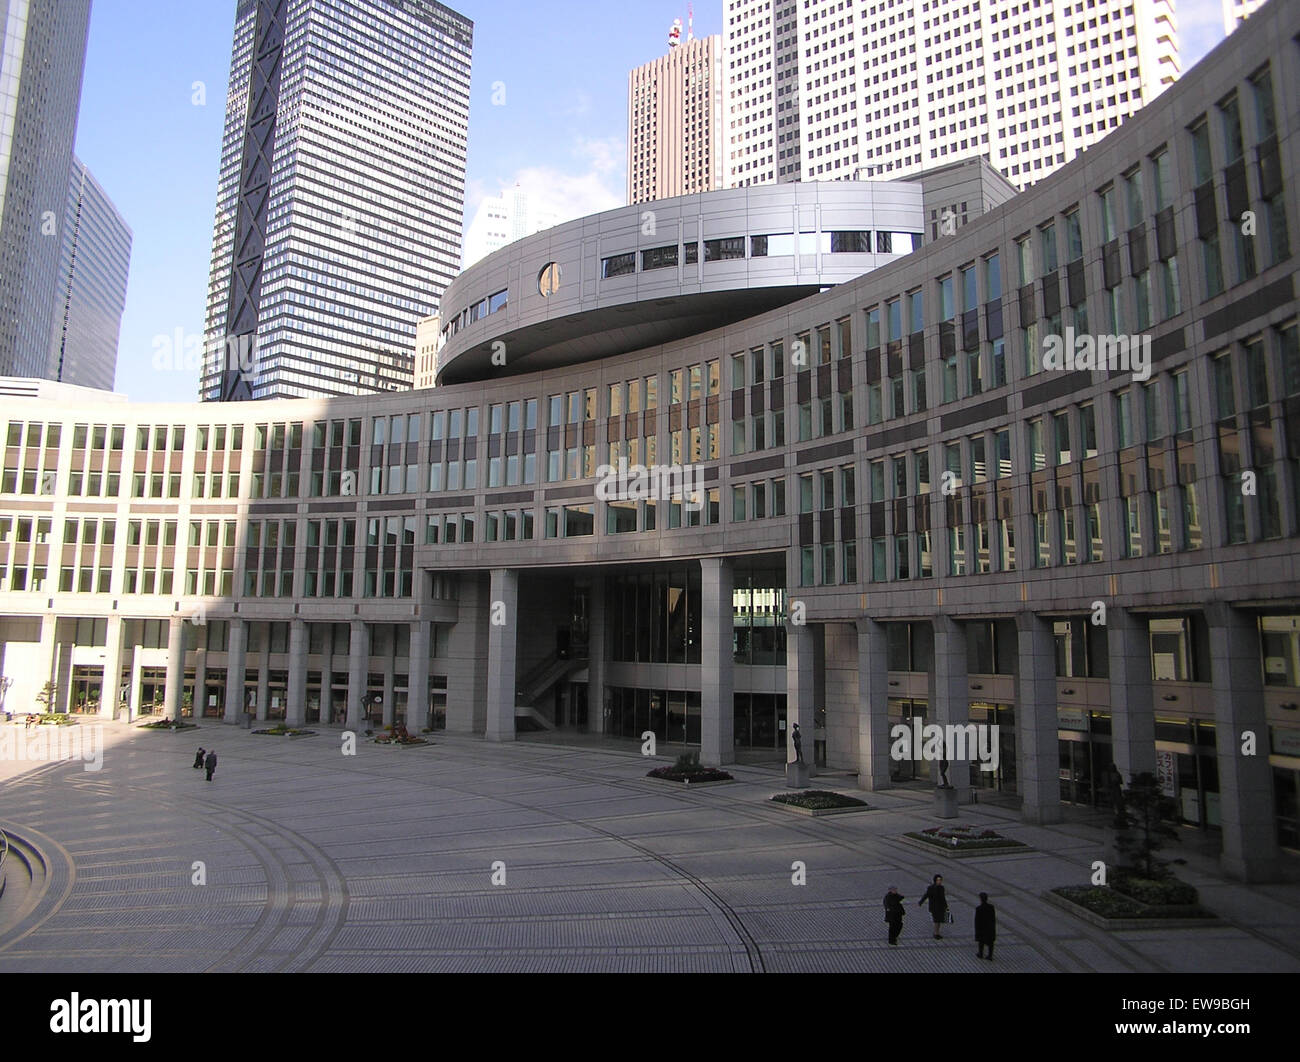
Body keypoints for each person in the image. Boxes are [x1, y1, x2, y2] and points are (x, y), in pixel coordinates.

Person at [918, 873, 949, 939]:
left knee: (939, 920)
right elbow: (926, 895)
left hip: (940, 907)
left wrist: (946, 906)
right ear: (935, 881)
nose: (939, 881)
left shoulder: (941, 888)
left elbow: (943, 898)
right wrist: (921, 902)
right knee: (936, 920)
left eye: (940, 880)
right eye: (938, 880)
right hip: (934, 907)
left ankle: (937, 932)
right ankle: (936, 933)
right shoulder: (931, 888)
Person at [974, 892, 996, 960]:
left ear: (981, 899)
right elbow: (993, 918)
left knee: (981, 941)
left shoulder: (979, 908)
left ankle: (980, 953)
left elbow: (977, 920)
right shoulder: (991, 907)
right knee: (990, 942)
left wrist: (977, 929)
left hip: (982, 928)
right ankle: (990, 955)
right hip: (990, 927)